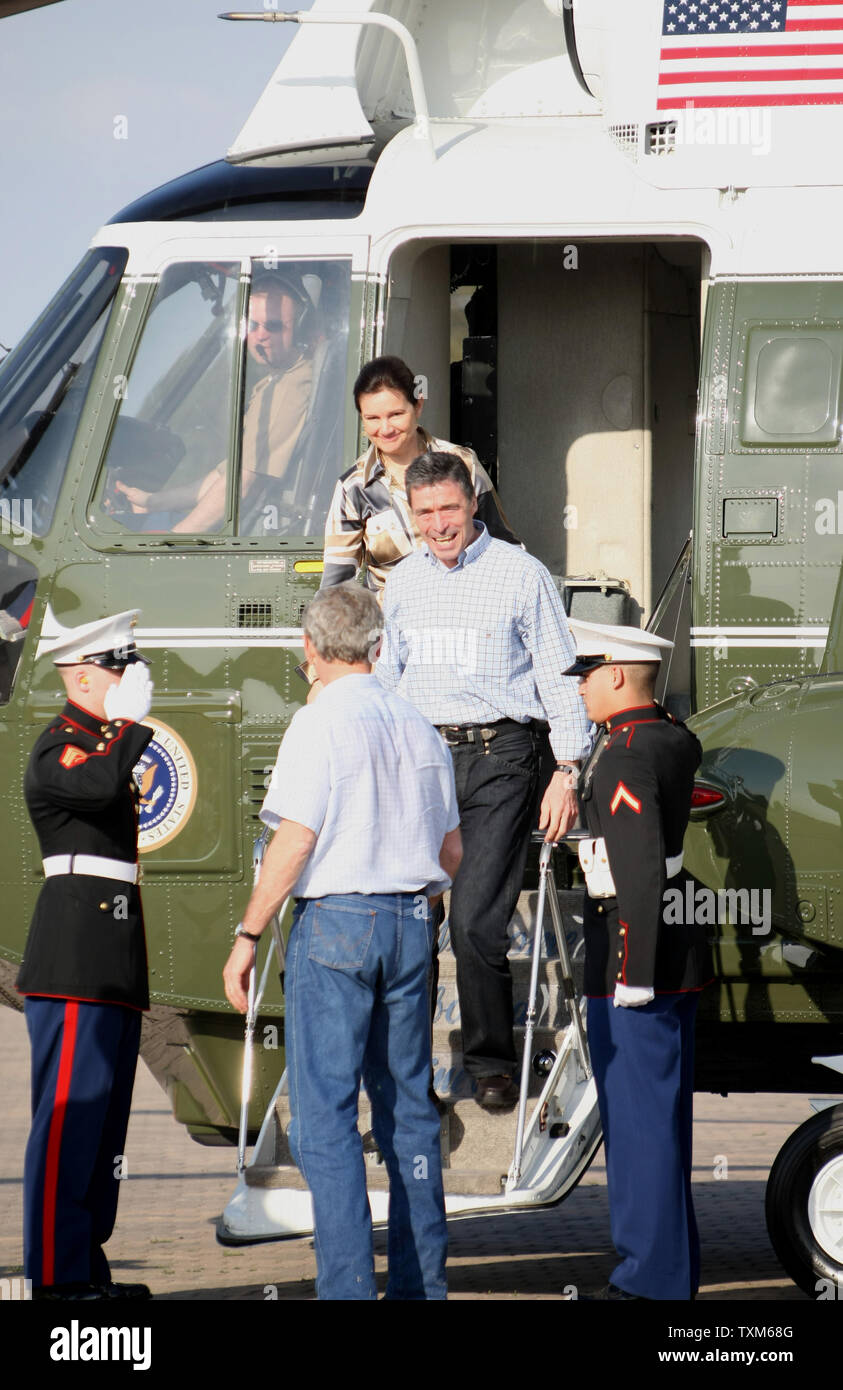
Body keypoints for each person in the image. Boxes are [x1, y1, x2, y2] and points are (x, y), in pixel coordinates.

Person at [222, 583, 462, 1300]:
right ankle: (420, 1288)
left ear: (309, 647)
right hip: (410, 919)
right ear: (378, 646)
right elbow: (452, 851)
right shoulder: (418, 724)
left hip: (337, 921)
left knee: (325, 1118)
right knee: (409, 1112)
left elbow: (296, 840)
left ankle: (349, 1289)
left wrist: (248, 932)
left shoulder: (316, 722)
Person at [376, 452, 589, 1109]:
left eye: (449, 508)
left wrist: (567, 769)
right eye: (425, 512)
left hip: (502, 756)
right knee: (413, 921)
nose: (439, 524)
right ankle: (407, 1076)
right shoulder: (402, 582)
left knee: (472, 920)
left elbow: (560, 676)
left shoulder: (521, 574)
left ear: (472, 504)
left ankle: (491, 1063)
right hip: (421, 761)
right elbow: (385, 680)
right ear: (411, 515)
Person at [564, 618, 712, 1301]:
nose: (581, 689)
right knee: (660, 1127)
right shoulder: (667, 735)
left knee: (640, 1130)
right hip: (670, 955)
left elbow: (640, 872)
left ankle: (648, 1283)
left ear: (617, 674)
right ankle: (667, 1276)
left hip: (633, 962)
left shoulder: (624, 753)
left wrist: (633, 975)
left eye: (587, 675)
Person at [16, 609, 154, 1300]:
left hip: (111, 956)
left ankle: (86, 1266)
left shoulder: (100, 746)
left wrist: (121, 729)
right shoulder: (60, 747)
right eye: (118, 665)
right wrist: (127, 726)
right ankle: (55, 1276)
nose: (131, 675)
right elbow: (97, 786)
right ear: (82, 676)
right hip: (75, 955)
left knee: (103, 1129)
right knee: (69, 1120)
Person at [114, 274, 315, 533]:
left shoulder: (288, 389)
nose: (260, 336)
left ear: (298, 329)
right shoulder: (276, 380)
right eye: (252, 325)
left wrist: (174, 539)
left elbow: (243, 483)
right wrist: (152, 502)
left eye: (273, 326)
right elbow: (226, 475)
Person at [320, 354, 518, 595]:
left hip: (466, 605)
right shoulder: (353, 488)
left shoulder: (463, 464)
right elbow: (335, 588)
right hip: (391, 615)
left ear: (418, 406)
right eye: (372, 418)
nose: (385, 429)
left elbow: (505, 548)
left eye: (395, 414)